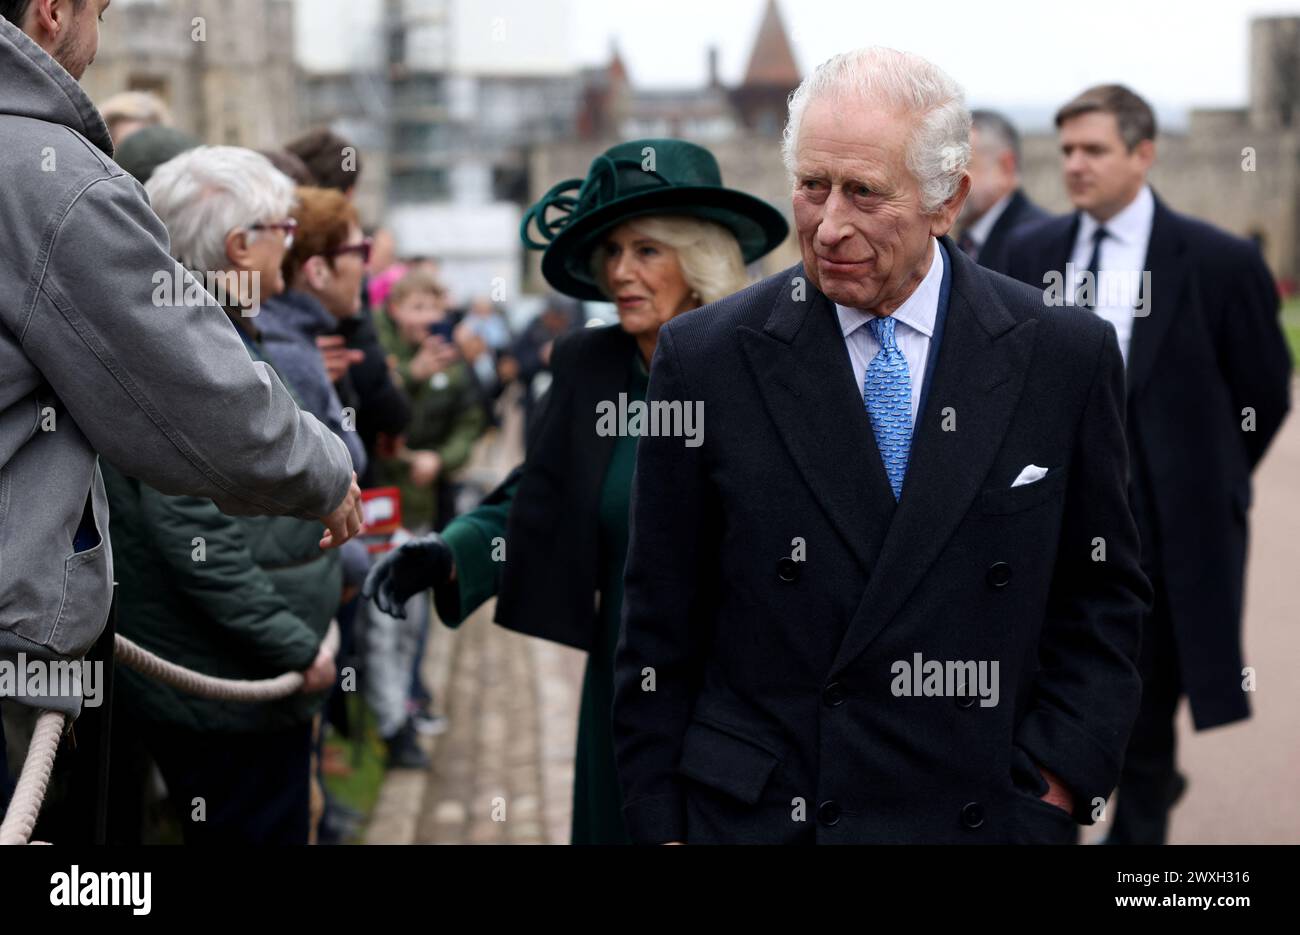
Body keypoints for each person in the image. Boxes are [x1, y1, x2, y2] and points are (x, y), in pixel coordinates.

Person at [609, 48, 1151, 845]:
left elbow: (1102, 598)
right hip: (769, 818)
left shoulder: (1063, 355)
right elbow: (658, 623)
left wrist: (1055, 785)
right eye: (812, 185)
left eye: (863, 191)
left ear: (948, 200)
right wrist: (662, 827)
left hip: (982, 817)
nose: (829, 226)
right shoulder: (705, 358)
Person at [363, 138, 789, 843]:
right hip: (626, 689)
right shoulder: (593, 366)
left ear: (700, 259)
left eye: (647, 250)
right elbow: (537, 496)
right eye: (611, 251)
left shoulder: (761, 373)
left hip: (742, 692)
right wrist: (448, 554)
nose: (620, 271)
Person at [0, 0, 362, 792]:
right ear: (53, 11)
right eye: (99, 11)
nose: (100, 41)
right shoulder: (48, 174)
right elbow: (199, 406)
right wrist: (326, 470)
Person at [1003, 84, 1293, 844]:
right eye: (1067, 149)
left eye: (1094, 149)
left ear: (1143, 153)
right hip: (1047, 530)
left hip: (1165, 539)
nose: (1075, 164)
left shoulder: (1221, 262)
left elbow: (1263, 391)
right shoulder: (1028, 254)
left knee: (1148, 717)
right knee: (1039, 708)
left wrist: (1206, 477)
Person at [101, 146, 344, 845]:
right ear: (240, 246)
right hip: (227, 686)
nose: (289, 247)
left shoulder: (201, 334)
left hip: (230, 672)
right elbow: (193, 538)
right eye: (283, 231)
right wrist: (294, 647)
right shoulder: (192, 356)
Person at [956, 109, 1047, 272]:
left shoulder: (1039, 245)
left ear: (1006, 167)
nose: (949, 179)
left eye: (963, 165)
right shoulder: (965, 242)